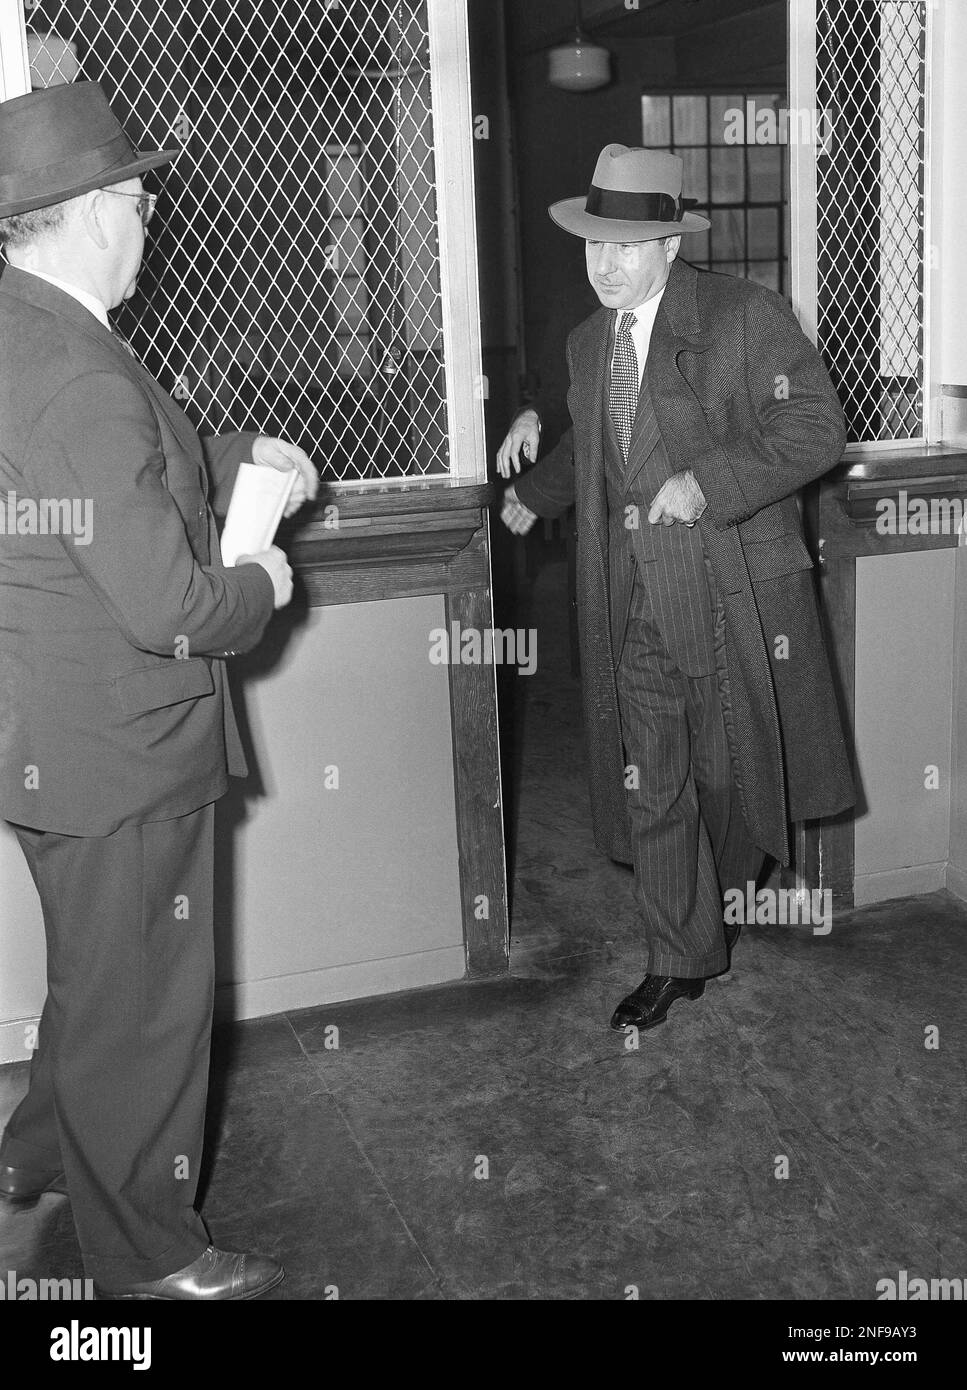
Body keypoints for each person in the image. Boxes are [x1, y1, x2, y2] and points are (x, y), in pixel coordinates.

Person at [0, 81, 317, 1299]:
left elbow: (110, 481)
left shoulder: (30, 331)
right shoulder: (80, 369)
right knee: (148, 1013)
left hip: (49, 743)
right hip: (124, 751)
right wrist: (261, 577)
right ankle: (153, 1259)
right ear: (85, 212)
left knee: (96, 976)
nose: (149, 223)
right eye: (136, 201)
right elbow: (172, 609)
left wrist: (236, 458)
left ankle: (33, 1157)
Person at [499, 145, 853, 1033]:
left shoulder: (745, 318)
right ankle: (677, 956)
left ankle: (723, 898)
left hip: (726, 591)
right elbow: (593, 450)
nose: (606, 266)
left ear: (668, 243)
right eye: (593, 247)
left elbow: (814, 427)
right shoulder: (589, 345)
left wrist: (707, 484)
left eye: (626, 247)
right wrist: (527, 495)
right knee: (649, 779)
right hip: (626, 601)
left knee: (734, 779)